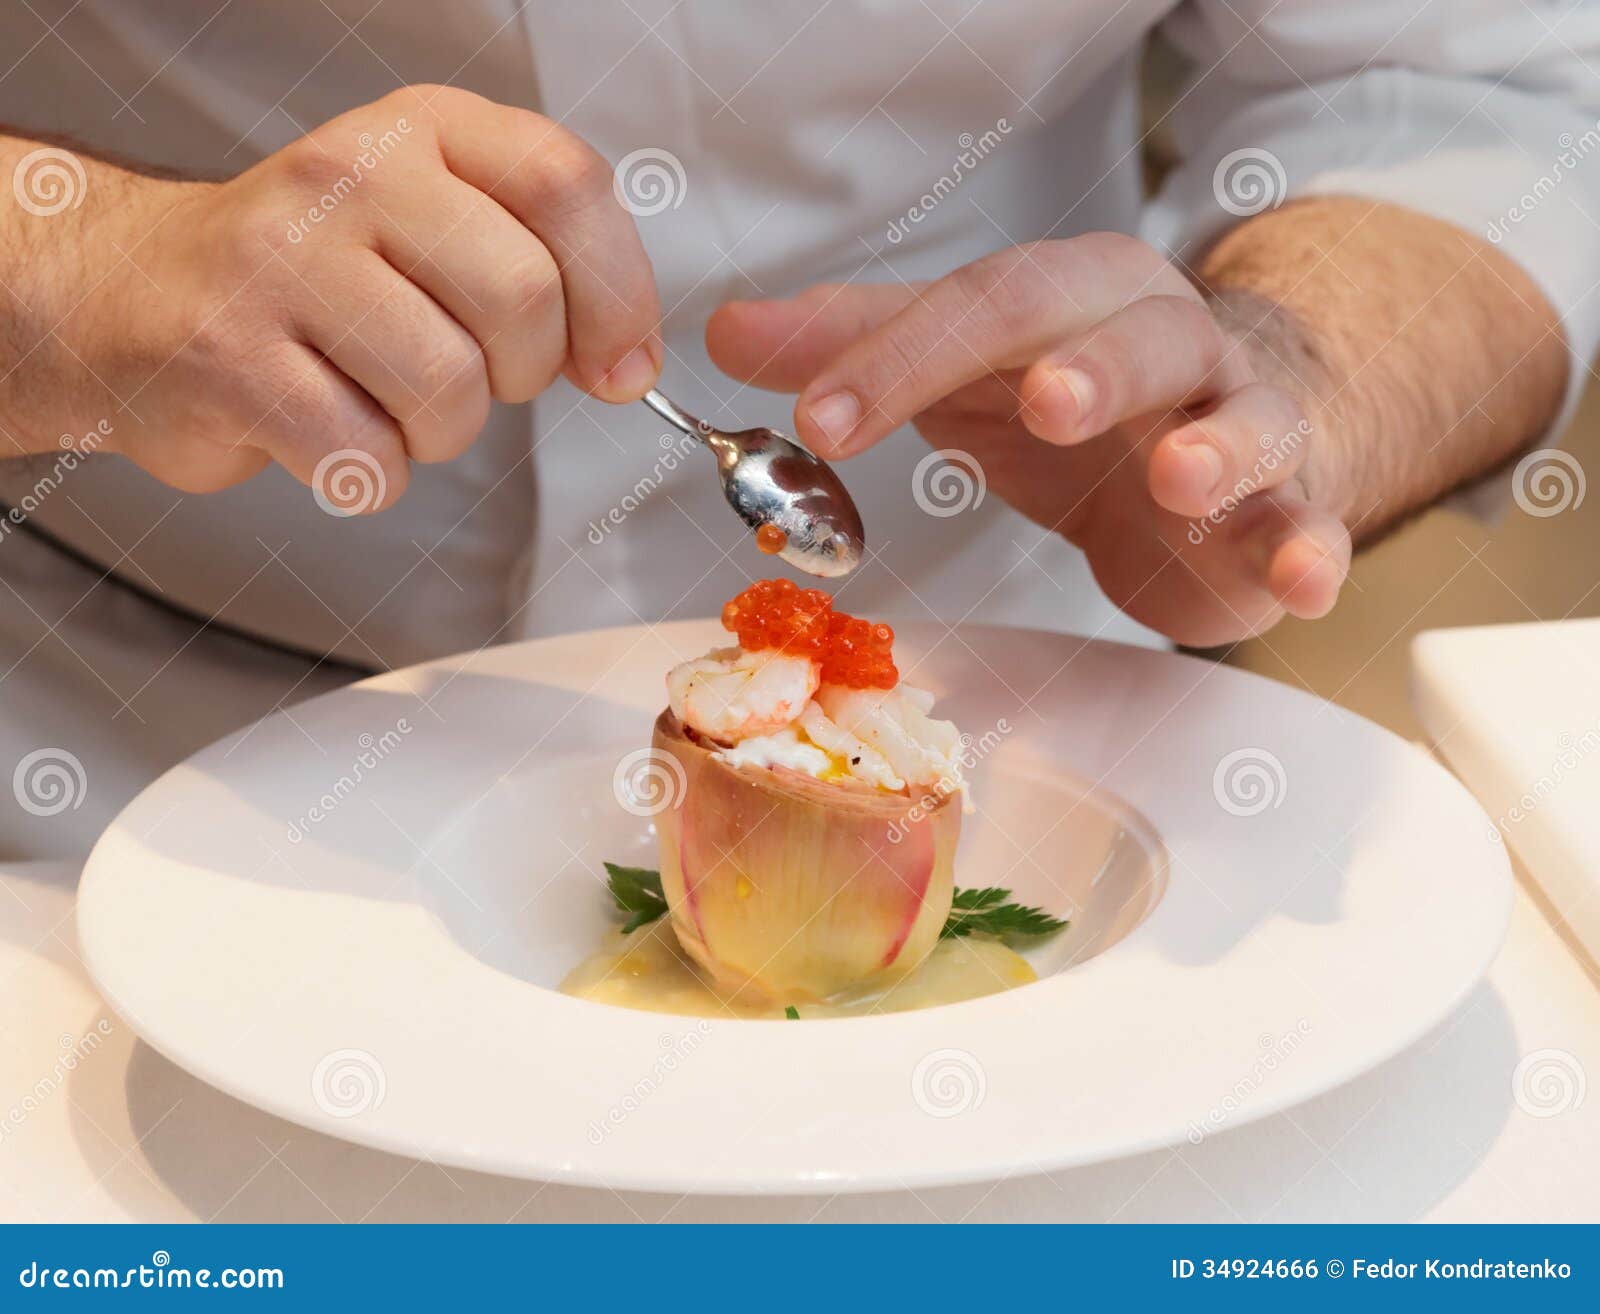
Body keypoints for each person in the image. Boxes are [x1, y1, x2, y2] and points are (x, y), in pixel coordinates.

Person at [0, 1, 1592, 855]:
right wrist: (78, 261)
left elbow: (1489, 89)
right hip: (134, 755)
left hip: (1015, 740)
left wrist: (1290, 370)